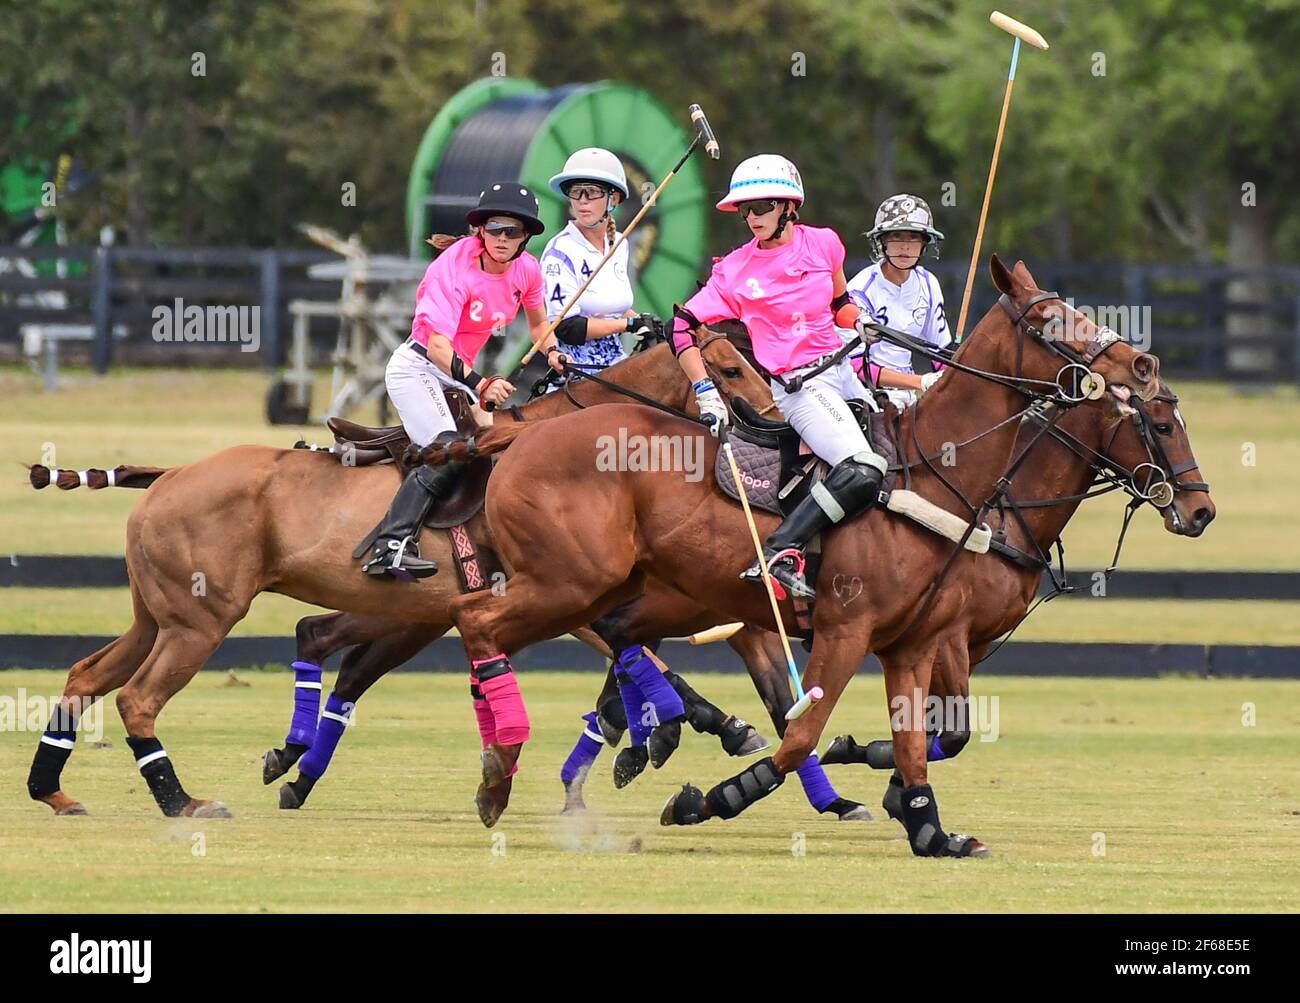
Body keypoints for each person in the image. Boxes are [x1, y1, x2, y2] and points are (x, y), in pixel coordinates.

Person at [669, 154, 889, 601]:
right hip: (800, 386)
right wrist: (705, 390)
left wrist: (859, 319)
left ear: (789, 206)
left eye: (762, 207)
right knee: (864, 469)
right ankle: (779, 551)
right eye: (745, 209)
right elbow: (682, 326)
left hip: (844, 370)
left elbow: (838, 302)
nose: (751, 217)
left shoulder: (825, 244)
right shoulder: (733, 271)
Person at [360, 181, 563, 580]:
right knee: (449, 448)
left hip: (458, 378)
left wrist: (554, 353)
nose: (503, 238)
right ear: (480, 230)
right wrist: (482, 383)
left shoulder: (527, 270)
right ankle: (391, 545)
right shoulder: (453, 266)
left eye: (514, 230)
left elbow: (540, 324)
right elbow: (437, 345)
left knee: (496, 447)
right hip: (418, 368)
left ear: (526, 237)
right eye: (495, 228)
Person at [541, 147, 661, 379]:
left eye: (593, 192)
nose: (582, 201)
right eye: (576, 192)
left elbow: (611, 308)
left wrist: (646, 323)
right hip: (576, 374)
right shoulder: (559, 252)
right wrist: (628, 325)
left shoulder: (619, 245)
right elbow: (567, 328)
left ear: (613, 199)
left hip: (617, 366)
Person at [845, 194, 950, 409]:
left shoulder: (929, 283)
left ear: (924, 244)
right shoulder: (859, 290)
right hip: (863, 396)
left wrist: (954, 378)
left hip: (909, 397)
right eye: (896, 236)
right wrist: (921, 381)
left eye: (913, 237)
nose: (904, 246)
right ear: (882, 242)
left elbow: (941, 353)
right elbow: (855, 365)